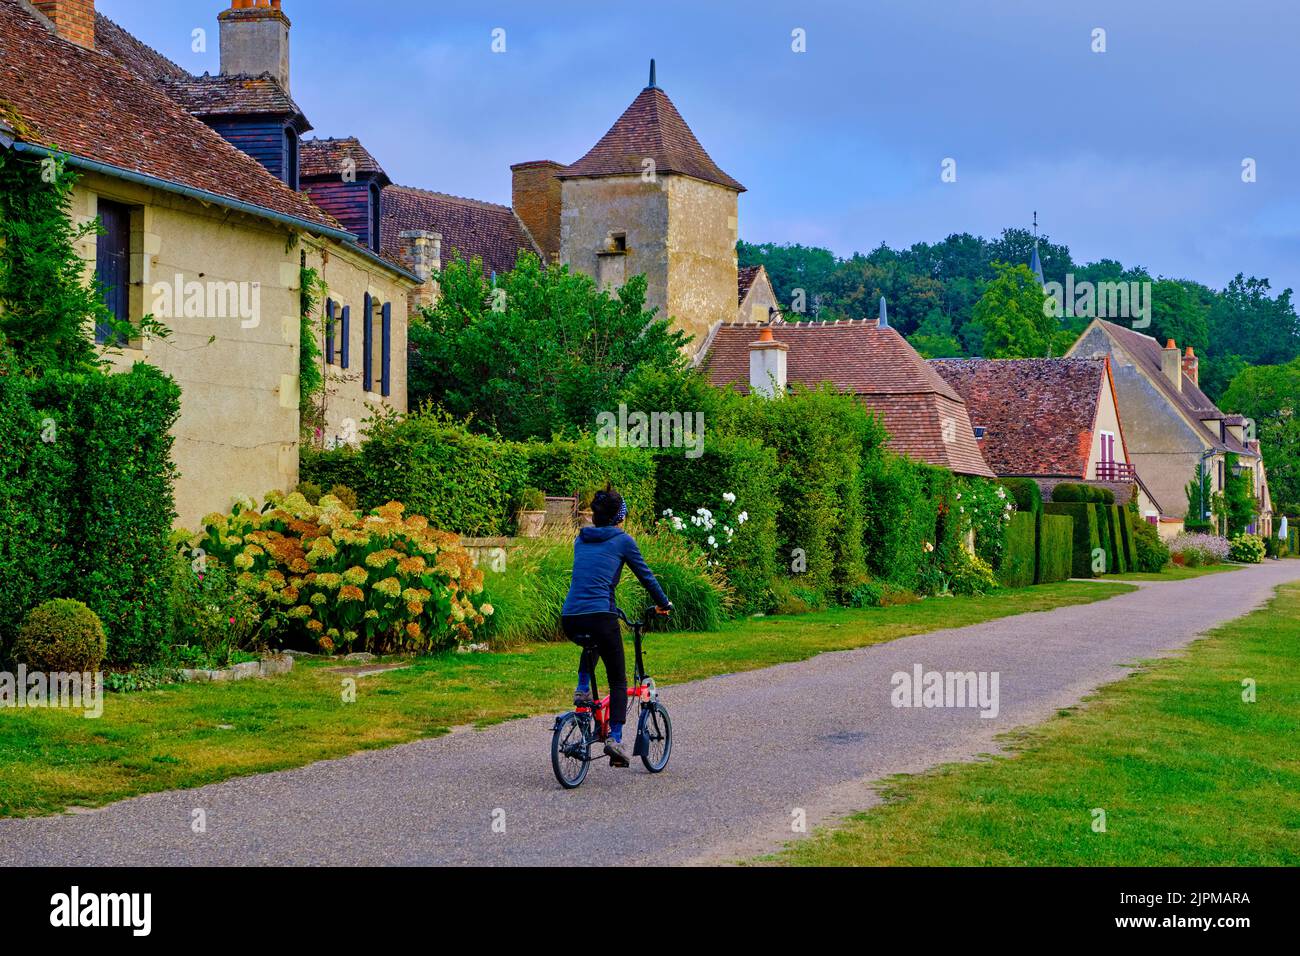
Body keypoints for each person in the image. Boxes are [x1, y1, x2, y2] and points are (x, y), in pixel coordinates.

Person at [560, 486, 671, 767]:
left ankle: (582, 688)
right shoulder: (623, 541)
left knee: (592, 641)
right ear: (619, 518)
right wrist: (664, 604)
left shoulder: (580, 540)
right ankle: (616, 740)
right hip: (601, 615)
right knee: (619, 679)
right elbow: (646, 577)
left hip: (570, 617)